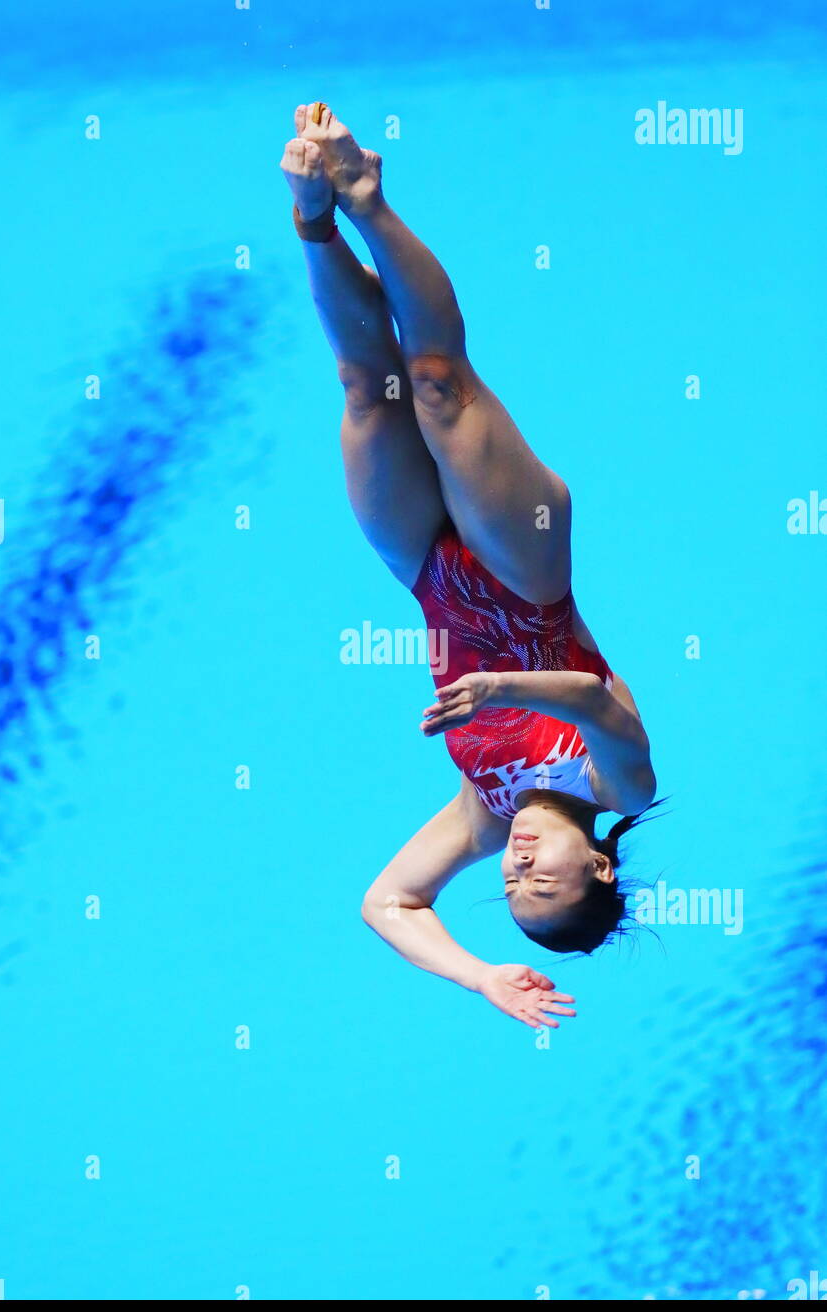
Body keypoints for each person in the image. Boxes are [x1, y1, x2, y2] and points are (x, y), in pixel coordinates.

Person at [280, 102, 659, 1028]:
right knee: (439, 382)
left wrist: (478, 974)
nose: (520, 866)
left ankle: (312, 218)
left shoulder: (485, 816)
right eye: (548, 882)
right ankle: (367, 195)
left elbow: (388, 904)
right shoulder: (623, 788)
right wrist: (501, 687)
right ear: (600, 864)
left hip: (428, 576)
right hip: (524, 572)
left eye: (515, 890)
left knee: (370, 390)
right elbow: (599, 703)